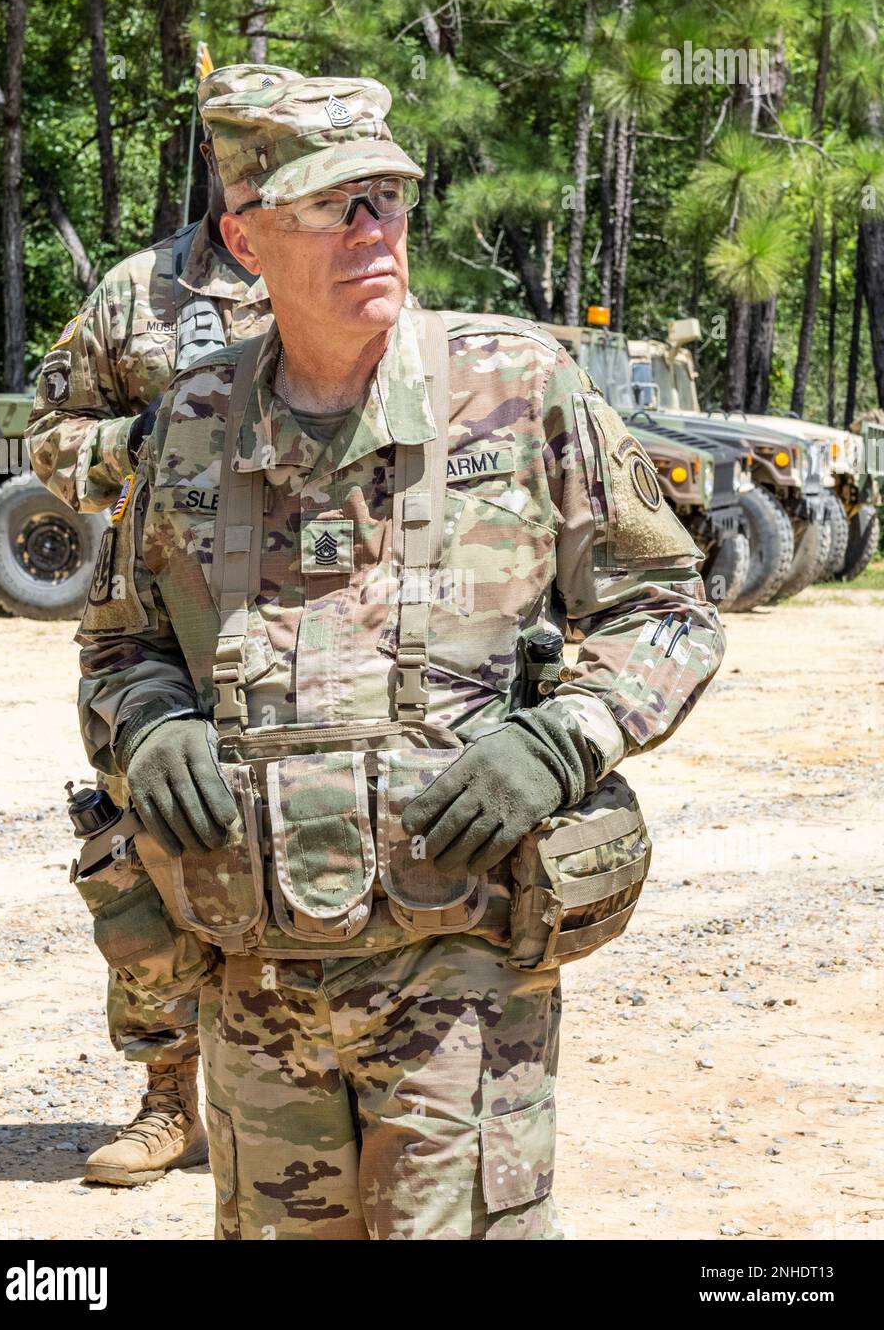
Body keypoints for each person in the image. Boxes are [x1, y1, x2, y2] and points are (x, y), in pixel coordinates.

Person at [75, 74, 726, 1238]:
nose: (373, 230)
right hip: (253, 977)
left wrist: (563, 738)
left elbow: (667, 607)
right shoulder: (192, 420)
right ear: (245, 239)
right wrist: (151, 724)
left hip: (461, 977)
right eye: (333, 206)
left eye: (387, 198)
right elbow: (122, 641)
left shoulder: (517, 389)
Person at [25, 63, 303, 1188]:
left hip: (302, 617)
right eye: (246, 166)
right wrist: (134, 446)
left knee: (301, 834)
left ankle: (293, 1090)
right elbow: (48, 435)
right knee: (146, 853)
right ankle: (165, 1098)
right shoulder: (137, 294)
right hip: (154, 626)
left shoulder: (339, 270)